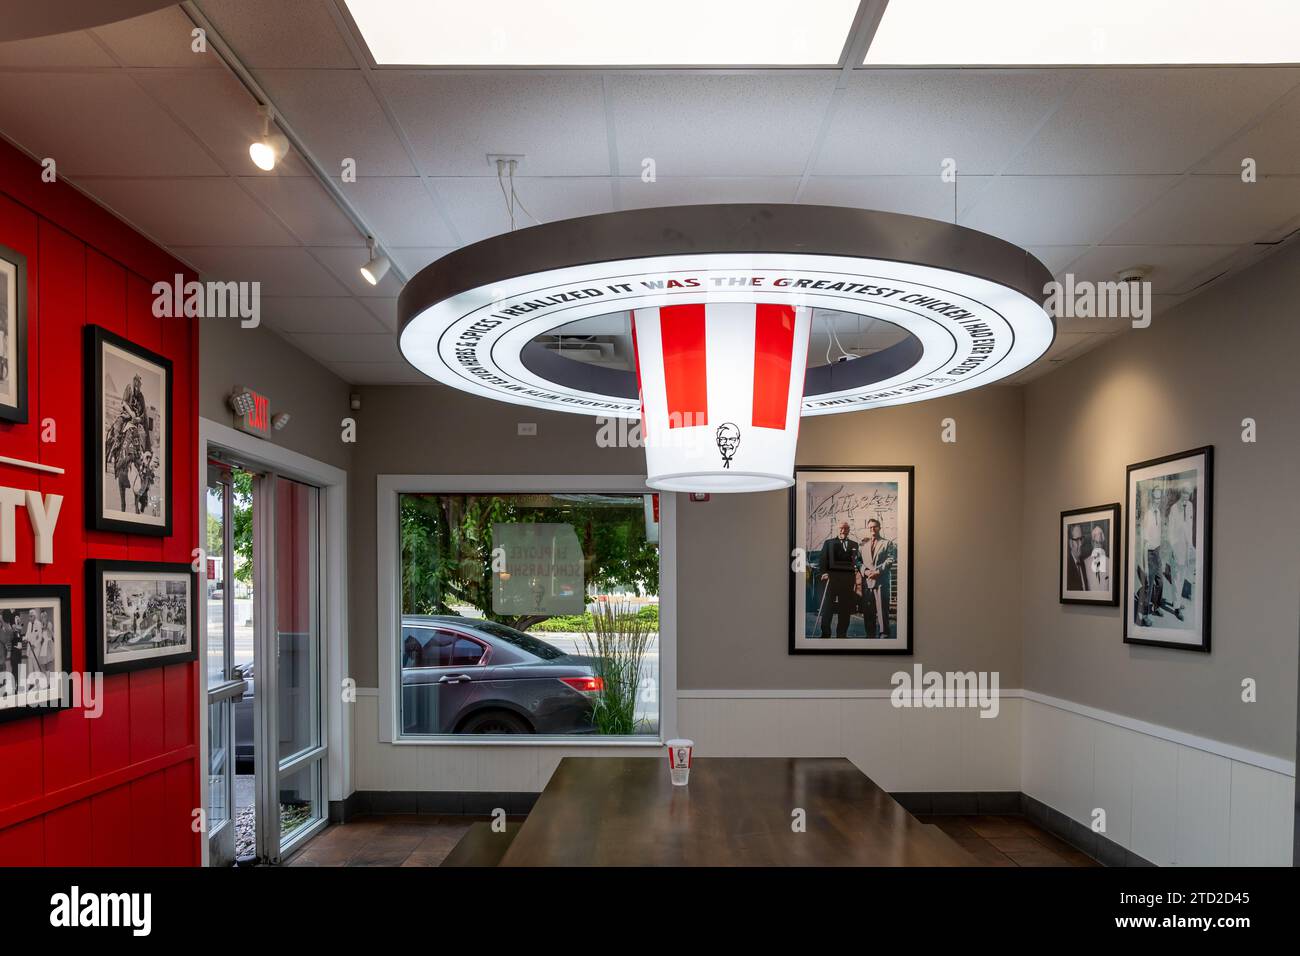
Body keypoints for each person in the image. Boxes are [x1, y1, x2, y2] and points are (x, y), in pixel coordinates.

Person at [817, 520, 860, 638]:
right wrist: (824, 573)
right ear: (838, 529)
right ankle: (825, 633)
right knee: (828, 608)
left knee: (845, 609)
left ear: (849, 530)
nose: (843, 530)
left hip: (847, 581)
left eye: (846, 528)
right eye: (841, 528)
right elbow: (822, 560)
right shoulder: (829, 543)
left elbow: (856, 561)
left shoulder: (854, 544)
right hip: (831, 580)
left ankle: (842, 634)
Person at [860, 519, 897, 639]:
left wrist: (878, 571)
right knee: (868, 610)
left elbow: (891, 559)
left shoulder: (887, 543)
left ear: (879, 527)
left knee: (882, 610)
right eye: (870, 527)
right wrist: (865, 571)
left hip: (881, 581)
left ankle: (884, 633)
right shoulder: (864, 546)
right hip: (868, 582)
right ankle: (869, 634)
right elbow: (859, 562)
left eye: (874, 527)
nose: (872, 529)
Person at [1165, 487, 1194, 621]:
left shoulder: (1190, 506)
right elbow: (1170, 532)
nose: (1186, 496)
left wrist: (1191, 545)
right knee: (1176, 577)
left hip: (1186, 546)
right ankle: (1176, 608)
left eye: (1188, 493)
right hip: (1176, 547)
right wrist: (1172, 549)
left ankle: (1176, 601)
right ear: (1180, 493)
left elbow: (1190, 526)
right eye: (1184, 493)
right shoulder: (1174, 509)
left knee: (1182, 576)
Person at [1139, 486, 1165, 625]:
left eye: (1159, 497)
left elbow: (1158, 535)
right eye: (1155, 497)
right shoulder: (1147, 516)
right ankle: (1144, 615)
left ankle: (1156, 606)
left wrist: (1160, 553)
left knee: (1160, 582)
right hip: (1149, 554)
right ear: (1151, 498)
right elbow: (1144, 543)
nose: (1157, 500)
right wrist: (1145, 565)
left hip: (1157, 552)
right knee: (1148, 587)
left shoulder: (1158, 512)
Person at [1085, 524, 1110, 592]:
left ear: (1103, 544)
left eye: (1100, 543)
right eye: (1096, 542)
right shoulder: (1085, 563)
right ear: (1092, 543)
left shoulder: (1109, 562)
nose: (1098, 546)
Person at [1065, 524, 1090, 591]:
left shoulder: (1082, 562)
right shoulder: (1066, 568)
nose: (1081, 543)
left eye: (1081, 539)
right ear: (1070, 543)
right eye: (1077, 540)